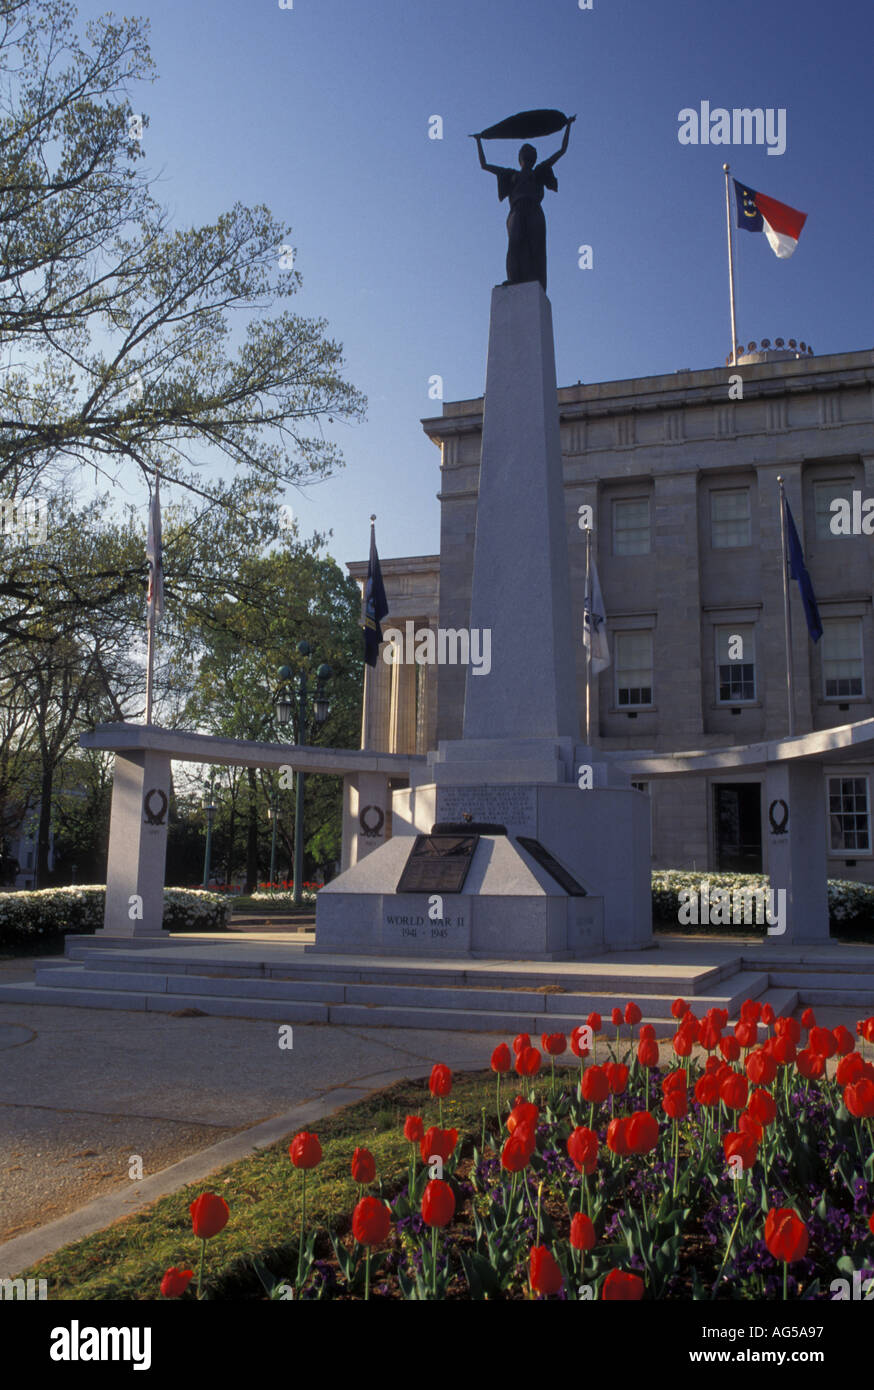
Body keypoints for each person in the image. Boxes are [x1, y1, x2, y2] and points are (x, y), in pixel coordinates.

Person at [473, 116, 575, 292]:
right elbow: (484, 165)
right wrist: (479, 141)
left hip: (534, 210)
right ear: (520, 158)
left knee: (535, 246)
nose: (529, 155)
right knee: (515, 244)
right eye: (525, 153)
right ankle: (514, 279)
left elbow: (562, 150)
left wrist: (568, 127)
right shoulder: (510, 174)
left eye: (532, 153)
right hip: (517, 210)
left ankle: (536, 280)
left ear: (534, 158)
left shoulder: (540, 172)